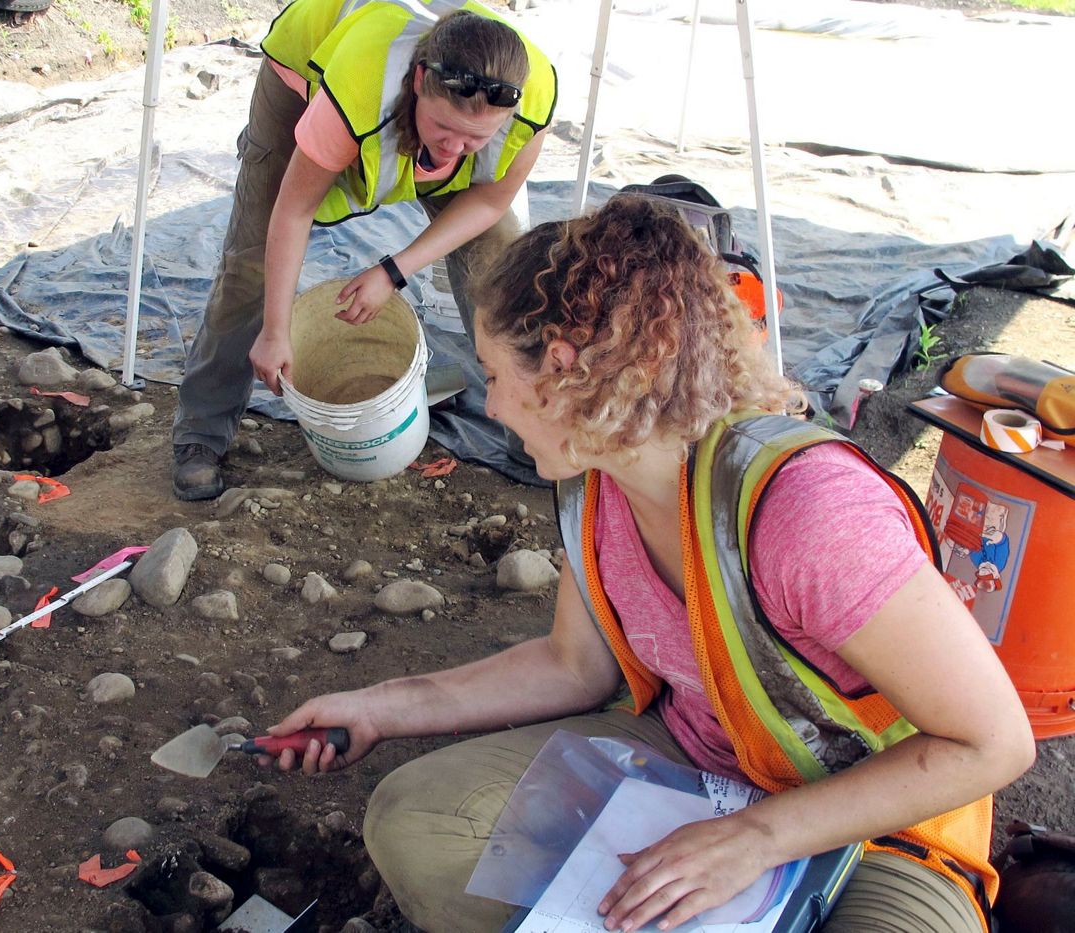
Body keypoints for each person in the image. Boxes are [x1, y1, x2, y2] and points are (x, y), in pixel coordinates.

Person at [255, 196, 1036, 932]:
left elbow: (995, 742)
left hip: (881, 818)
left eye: (495, 377)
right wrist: (380, 707)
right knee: (419, 823)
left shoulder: (808, 511)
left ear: (561, 368)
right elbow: (573, 667)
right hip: (697, 769)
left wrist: (755, 839)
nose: (488, 408)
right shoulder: (600, 482)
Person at [171, 0, 557, 500]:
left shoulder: (533, 96)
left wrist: (393, 271)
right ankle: (201, 433)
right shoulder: (357, 90)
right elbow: (292, 212)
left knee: (500, 268)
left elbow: (489, 201)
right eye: (444, 129)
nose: (454, 149)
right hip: (305, 72)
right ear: (419, 81)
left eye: (475, 139)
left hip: (406, 94)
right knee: (252, 263)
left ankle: (535, 440)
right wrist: (274, 330)